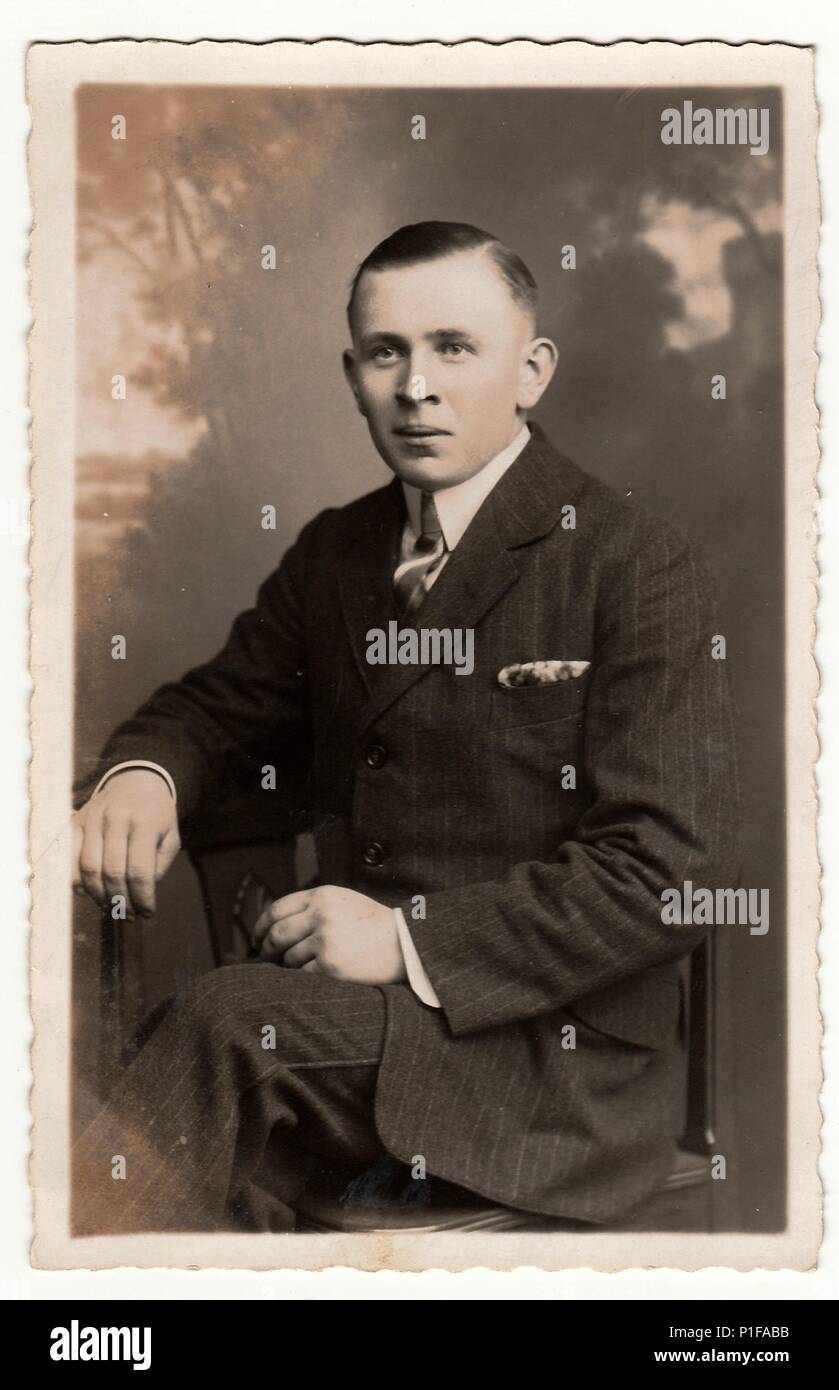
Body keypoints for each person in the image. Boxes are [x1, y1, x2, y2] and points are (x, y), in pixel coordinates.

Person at [71, 221, 740, 1234]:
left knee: (224, 1024)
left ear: (531, 371)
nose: (415, 385)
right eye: (386, 352)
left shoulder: (628, 562)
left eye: (453, 348)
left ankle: (63, 1307)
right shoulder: (336, 554)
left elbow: (664, 874)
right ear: (352, 375)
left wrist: (407, 938)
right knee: (212, 1109)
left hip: (549, 1058)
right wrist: (145, 773)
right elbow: (216, 707)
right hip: (360, 1028)